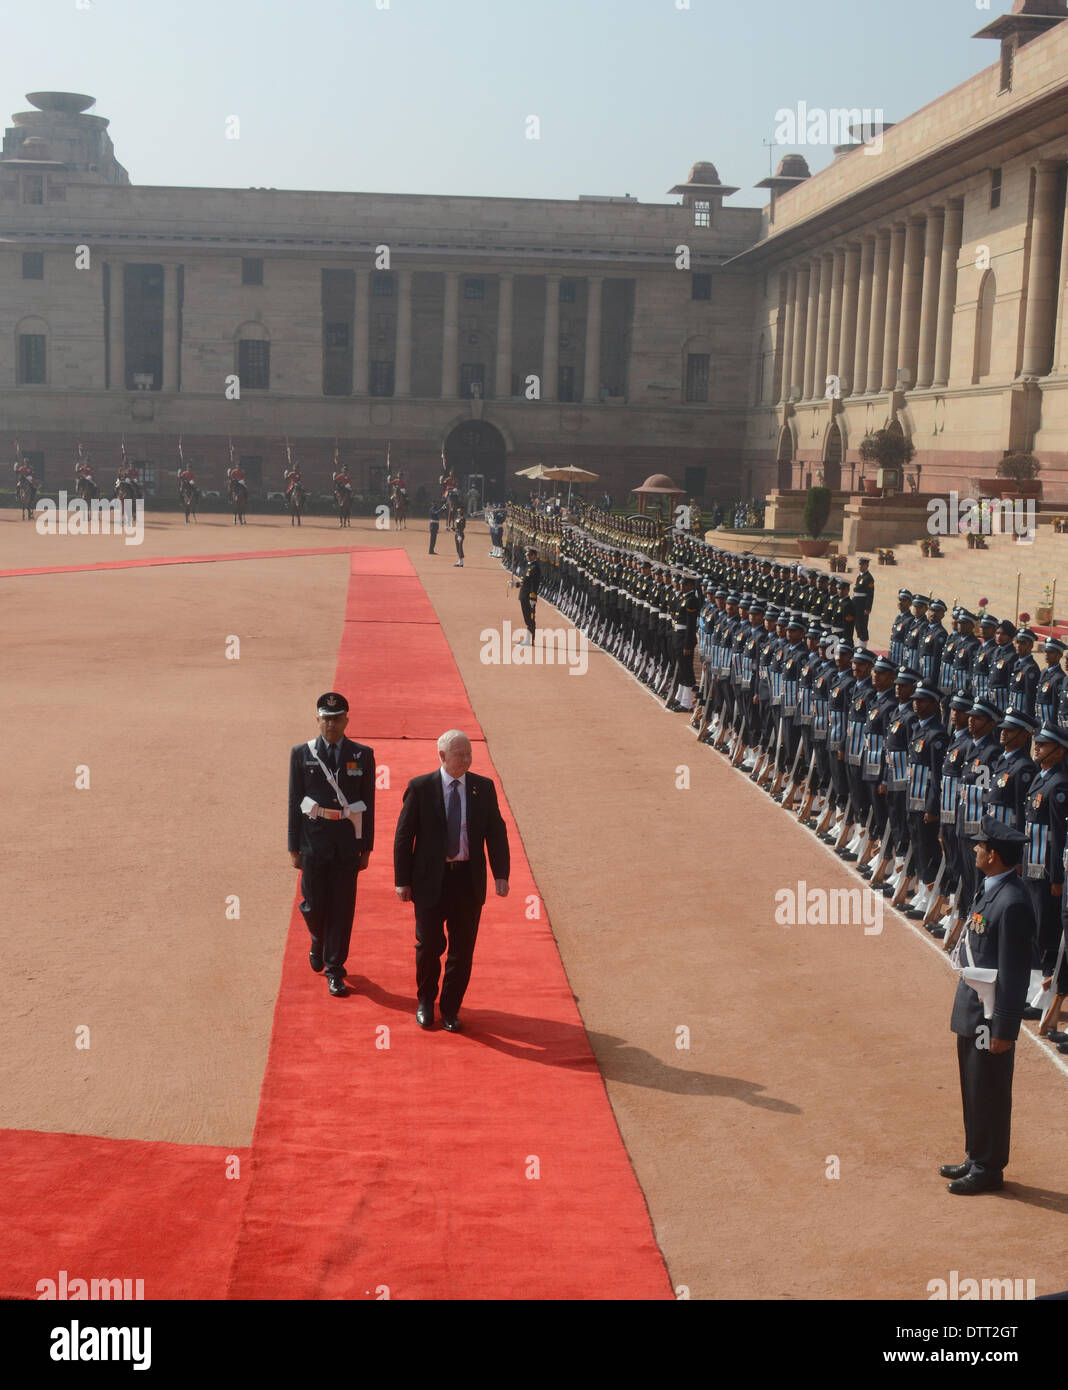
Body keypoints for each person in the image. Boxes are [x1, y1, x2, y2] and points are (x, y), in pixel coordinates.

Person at [393, 730, 510, 1031]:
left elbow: (496, 833)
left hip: (467, 882)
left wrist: (501, 874)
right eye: (461, 755)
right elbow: (404, 837)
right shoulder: (420, 788)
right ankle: (425, 1001)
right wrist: (402, 880)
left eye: (470, 754)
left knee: (462, 950)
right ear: (442, 756)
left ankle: (450, 1009)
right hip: (431, 881)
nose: (467, 759)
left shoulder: (483, 788)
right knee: (429, 945)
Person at [944, 817, 1033, 1195]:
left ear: (993, 855)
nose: (976, 849)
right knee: (973, 1086)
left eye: (980, 846)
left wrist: (1004, 1030)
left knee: (990, 1090)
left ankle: (988, 1166)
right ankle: (975, 1154)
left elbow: (1014, 974)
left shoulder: (1011, 901)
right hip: (973, 1007)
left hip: (990, 1015)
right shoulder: (992, 888)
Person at [287, 692, 376, 997]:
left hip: (347, 842)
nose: (331, 724)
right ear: (317, 720)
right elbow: (293, 801)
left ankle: (335, 969)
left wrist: (367, 847)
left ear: (346, 721)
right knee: (313, 903)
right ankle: (317, 938)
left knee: (342, 907)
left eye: (337, 719)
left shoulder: (362, 754)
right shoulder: (301, 754)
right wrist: (292, 846)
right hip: (313, 841)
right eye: (326, 718)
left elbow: (369, 803)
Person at [518, 546, 540, 643]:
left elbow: (534, 584)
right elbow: (525, 581)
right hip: (524, 595)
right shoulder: (529, 566)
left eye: (530, 555)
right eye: (527, 555)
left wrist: (532, 597)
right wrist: (516, 584)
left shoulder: (535, 568)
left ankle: (529, 640)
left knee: (529, 618)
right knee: (527, 617)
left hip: (529, 597)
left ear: (534, 556)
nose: (528, 557)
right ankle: (527, 639)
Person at [852, 556, 874, 642]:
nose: (860, 566)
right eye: (859, 564)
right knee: (857, 626)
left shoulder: (868, 578)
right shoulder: (860, 577)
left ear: (867, 565)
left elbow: (870, 594)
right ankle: (859, 644)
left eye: (862, 565)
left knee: (862, 626)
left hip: (862, 605)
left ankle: (863, 646)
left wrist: (868, 608)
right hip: (856, 604)